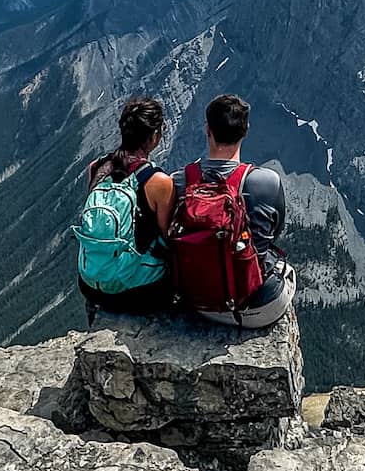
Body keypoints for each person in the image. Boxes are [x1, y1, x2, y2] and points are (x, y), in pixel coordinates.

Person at [170, 92, 295, 328]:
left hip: (197, 302)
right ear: (245, 131)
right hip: (255, 306)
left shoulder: (180, 181)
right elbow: (273, 232)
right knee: (286, 270)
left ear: (208, 130)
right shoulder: (267, 182)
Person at [74, 95, 177, 317]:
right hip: (136, 293)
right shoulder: (158, 182)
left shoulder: (96, 167)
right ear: (154, 137)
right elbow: (167, 238)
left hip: (91, 284)